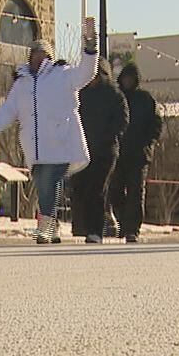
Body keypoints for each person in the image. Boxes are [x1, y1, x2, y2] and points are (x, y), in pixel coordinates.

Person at [0, 32, 99, 244]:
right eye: (35, 55)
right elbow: (10, 108)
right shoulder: (22, 84)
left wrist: (90, 50)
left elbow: (86, 73)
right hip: (35, 148)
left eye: (42, 55)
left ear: (49, 57)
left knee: (51, 182)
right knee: (43, 185)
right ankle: (52, 227)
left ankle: (44, 229)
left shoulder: (63, 75)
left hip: (59, 143)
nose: (38, 59)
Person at [71, 62, 128, 243]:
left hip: (105, 151)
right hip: (82, 150)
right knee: (82, 188)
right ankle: (84, 227)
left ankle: (95, 231)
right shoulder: (80, 93)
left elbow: (122, 120)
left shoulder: (113, 94)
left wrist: (106, 137)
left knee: (97, 189)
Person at [111, 61, 162, 243]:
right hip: (118, 153)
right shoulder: (116, 98)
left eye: (131, 78)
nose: (127, 81)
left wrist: (148, 144)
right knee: (114, 191)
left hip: (139, 154)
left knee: (135, 192)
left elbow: (156, 125)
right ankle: (123, 222)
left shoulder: (145, 99)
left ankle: (132, 228)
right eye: (125, 78)